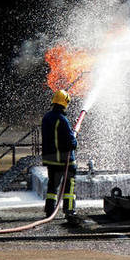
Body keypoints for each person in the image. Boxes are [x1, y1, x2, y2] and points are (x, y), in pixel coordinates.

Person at [41, 89, 77, 218]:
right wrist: (74, 139)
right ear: (65, 103)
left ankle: (49, 210)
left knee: (52, 186)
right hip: (65, 160)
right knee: (69, 187)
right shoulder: (62, 120)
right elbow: (71, 143)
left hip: (51, 160)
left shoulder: (46, 118)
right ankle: (69, 210)